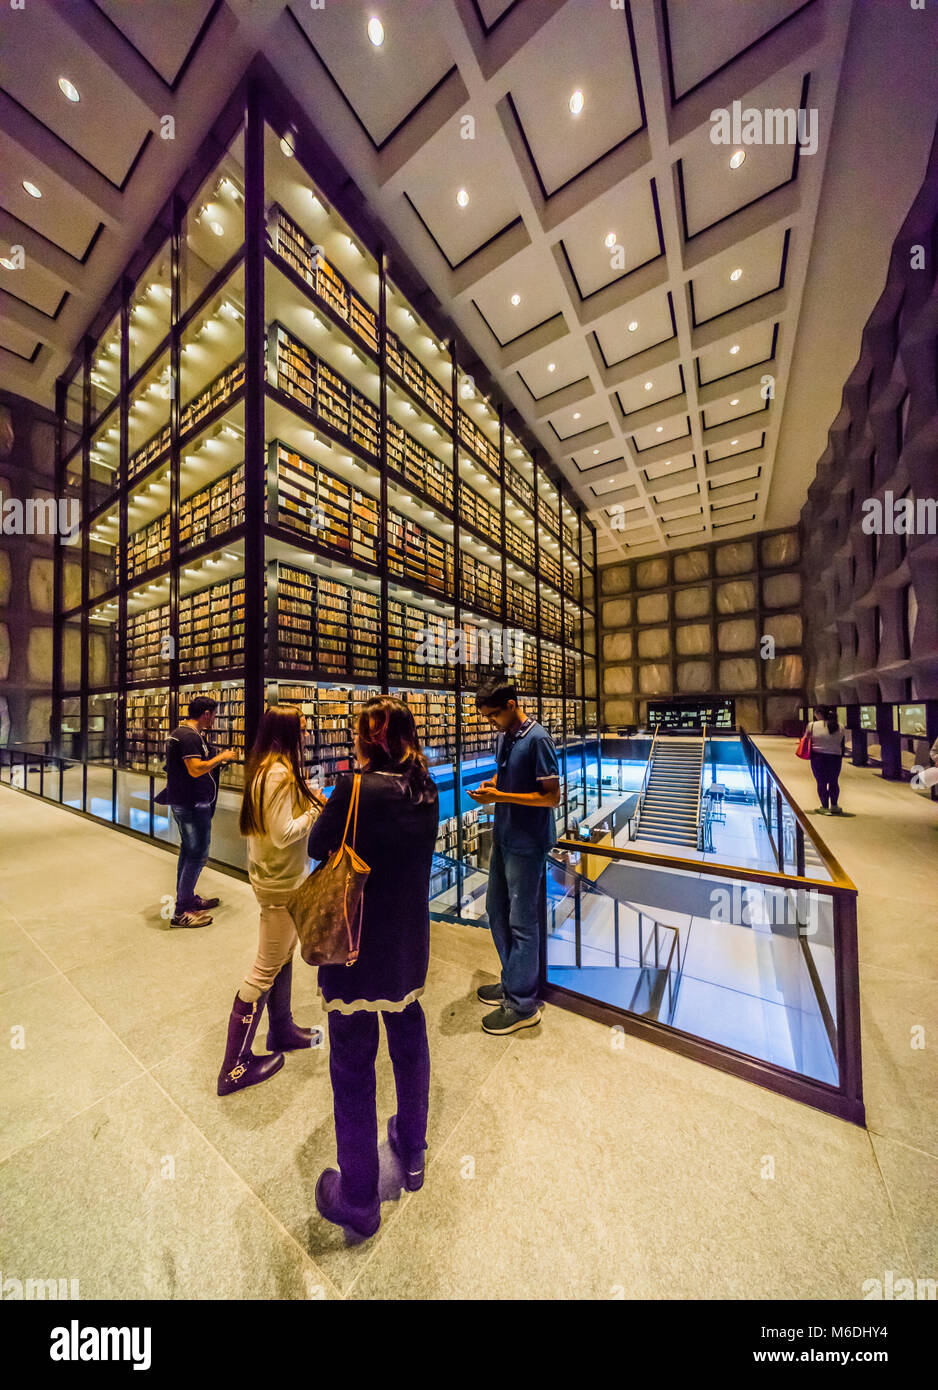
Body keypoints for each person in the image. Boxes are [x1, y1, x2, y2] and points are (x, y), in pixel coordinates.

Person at [307, 696, 439, 1240]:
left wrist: (333, 802)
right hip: (407, 946)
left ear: (369, 739)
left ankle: (359, 1195)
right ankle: (411, 1151)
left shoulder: (355, 789)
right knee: (409, 1043)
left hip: (355, 948)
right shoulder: (426, 788)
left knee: (353, 1067)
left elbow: (318, 845)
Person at [217, 705, 325, 1096]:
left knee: (280, 957)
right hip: (281, 885)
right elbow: (283, 834)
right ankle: (233, 1067)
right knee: (264, 969)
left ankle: (282, 1029)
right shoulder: (278, 773)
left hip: (275, 880)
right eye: (304, 726)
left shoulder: (266, 768)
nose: (309, 731)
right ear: (288, 731)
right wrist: (315, 808)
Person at [468, 676, 561, 1035]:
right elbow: (510, 777)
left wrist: (501, 798)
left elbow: (552, 797)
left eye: (494, 715)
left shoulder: (539, 739)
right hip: (505, 836)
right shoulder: (505, 737)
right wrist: (496, 785)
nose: (491, 722)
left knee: (523, 921)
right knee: (495, 910)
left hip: (528, 841)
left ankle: (523, 1004)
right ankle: (512, 982)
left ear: (511, 705)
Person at [164, 696, 237, 928]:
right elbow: (195, 769)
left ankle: (187, 898)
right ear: (206, 713)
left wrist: (214, 760)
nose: (215, 718)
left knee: (189, 852)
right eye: (214, 714)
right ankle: (182, 912)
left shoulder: (186, 734)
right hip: (191, 804)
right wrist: (221, 758)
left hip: (189, 801)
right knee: (197, 855)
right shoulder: (188, 736)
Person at [807, 705, 847, 815]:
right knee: (834, 781)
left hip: (818, 757)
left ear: (819, 714)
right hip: (835, 757)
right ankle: (834, 805)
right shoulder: (840, 726)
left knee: (821, 782)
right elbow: (841, 741)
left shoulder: (812, 725)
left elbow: (806, 738)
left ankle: (824, 807)